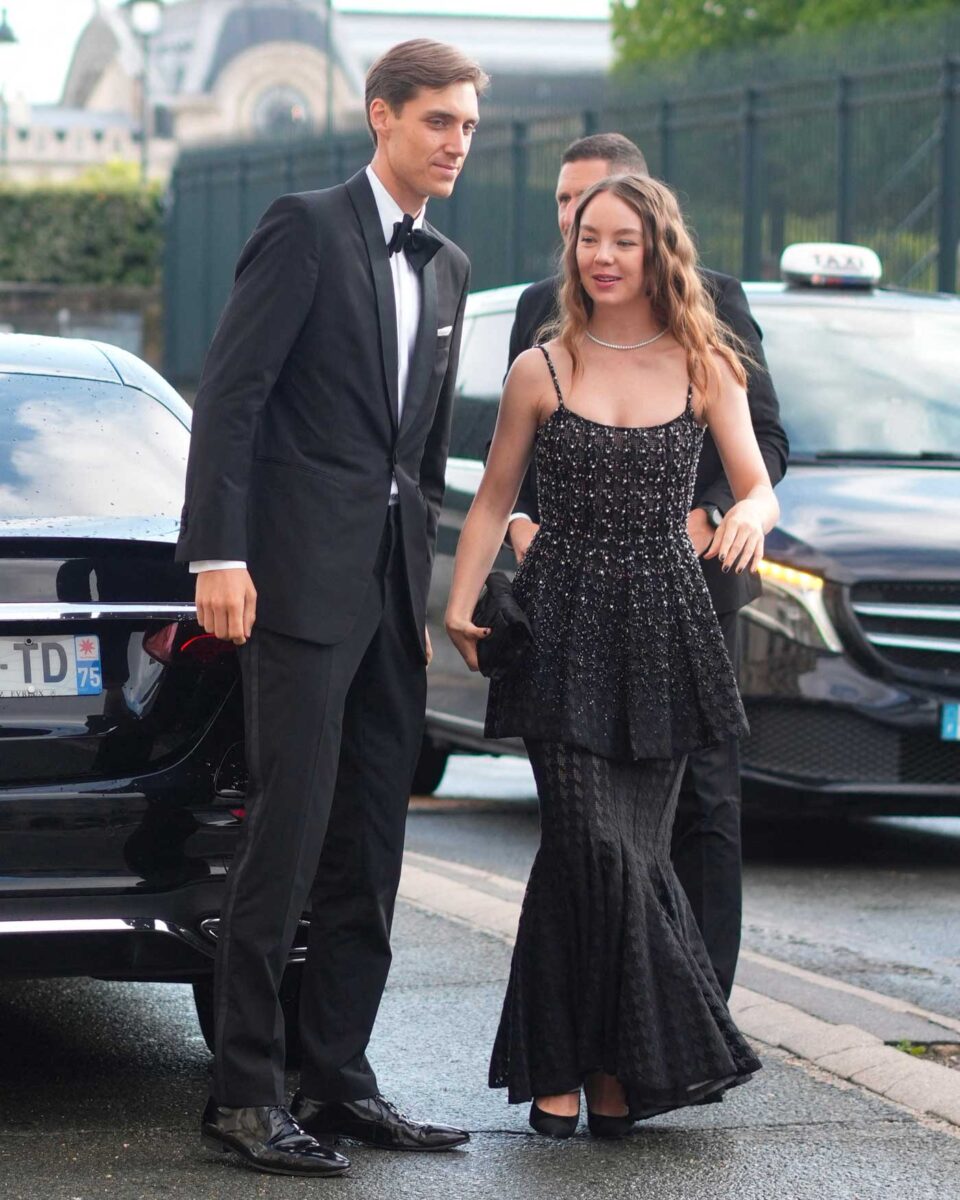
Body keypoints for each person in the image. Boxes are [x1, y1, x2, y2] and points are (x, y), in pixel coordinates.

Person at [176, 40, 488, 1177]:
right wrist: (220, 554)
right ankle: (244, 1094)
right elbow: (233, 397)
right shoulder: (304, 228)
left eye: (467, 125)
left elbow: (424, 450)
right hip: (297, 589)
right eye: (438, 120)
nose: (456, 142)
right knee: (290, 837)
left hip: (391, 595)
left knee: (371, 845)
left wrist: (428, 580)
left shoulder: (449, 267)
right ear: (380, 116)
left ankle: (339, 1080)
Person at [446, 173, 776, 1137]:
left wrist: (747, 516)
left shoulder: (708, 363)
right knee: (591, 840)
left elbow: (757, 483)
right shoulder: (539, 369)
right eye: (590, 237)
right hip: (561, 623)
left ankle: (589, 1066)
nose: (602, 255)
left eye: (623, 240)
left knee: (622, 852)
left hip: (668, 627)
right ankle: (629, 1058)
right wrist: (461, 603)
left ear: (657, 249)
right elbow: (492, 497)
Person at [504, 133, 788, 1001]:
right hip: (573, 596)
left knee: (703, 805)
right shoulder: (541, 309)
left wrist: (715, 513)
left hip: (686, 590)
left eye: (594, 209)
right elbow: (515, 455)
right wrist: (520, 523)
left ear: (646, 218)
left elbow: (764, 443)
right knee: (587, 823)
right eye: (565, 207)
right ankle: (610, 1014)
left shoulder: (715, 305)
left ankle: (699, 1006)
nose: (577, 227)